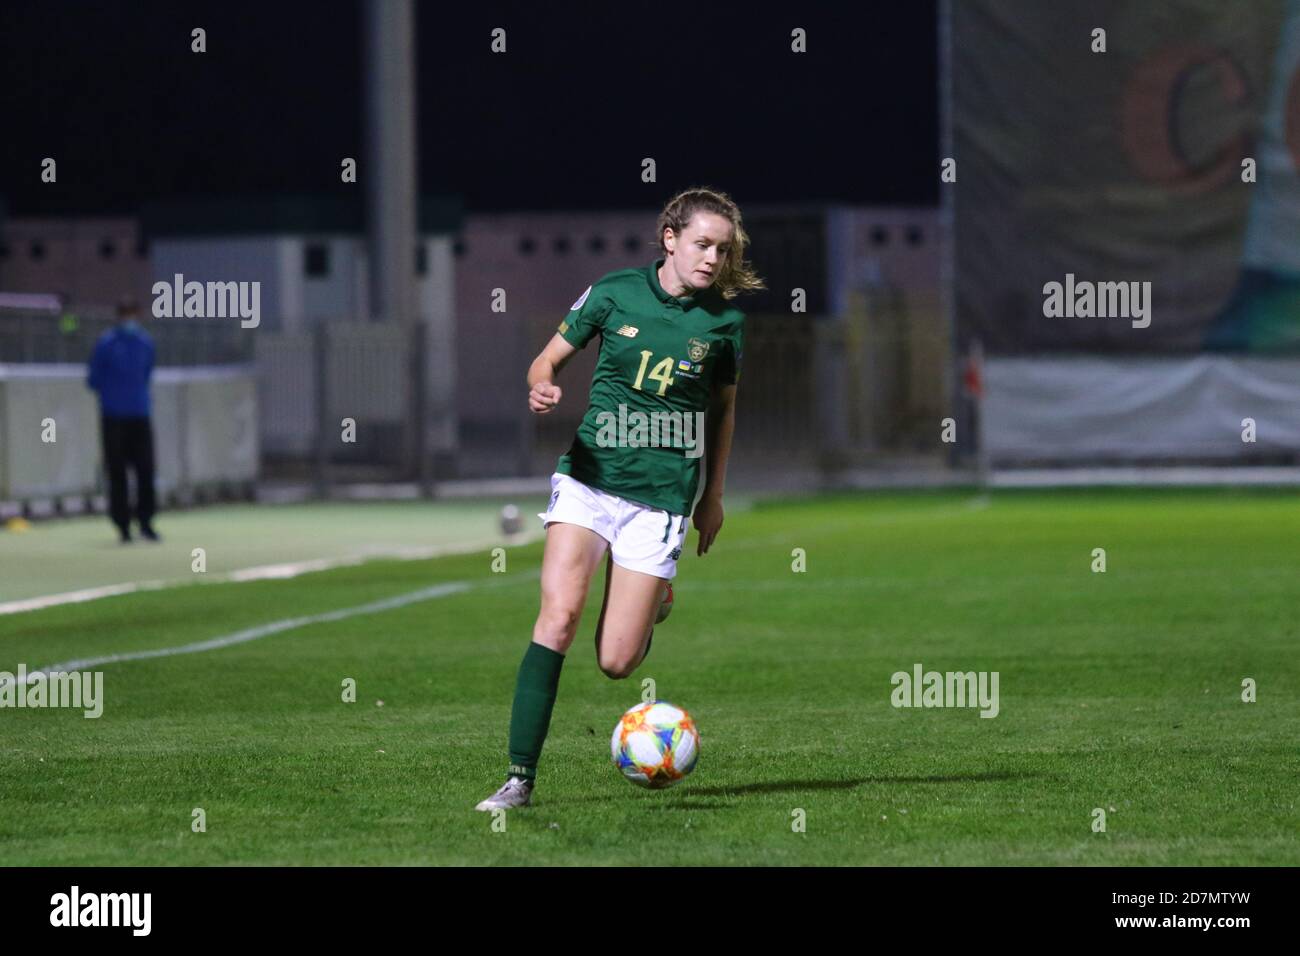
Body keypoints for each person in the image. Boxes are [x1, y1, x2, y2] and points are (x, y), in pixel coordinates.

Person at [475, 187, 764, 811]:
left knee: (615, 663)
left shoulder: (725, 323)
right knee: (557, 618)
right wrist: (543, 385)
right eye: (702, 244)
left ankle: (656, 597)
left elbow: (725, 411)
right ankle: (518, 779)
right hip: (588, 480)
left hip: (661, 500)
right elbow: (543, 362)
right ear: (670, 238)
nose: (712, 258)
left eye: (723, 248)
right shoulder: (613, 292)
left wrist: (712, 496)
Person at [86, 298, 160, 543]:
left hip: (140, 414)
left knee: (146, 470)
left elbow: (148, 372)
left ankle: (146, 522)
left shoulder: (144, 342)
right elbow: (93, 378)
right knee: (117, 472)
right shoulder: (107, 343)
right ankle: (123, 525)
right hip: (114, 416)